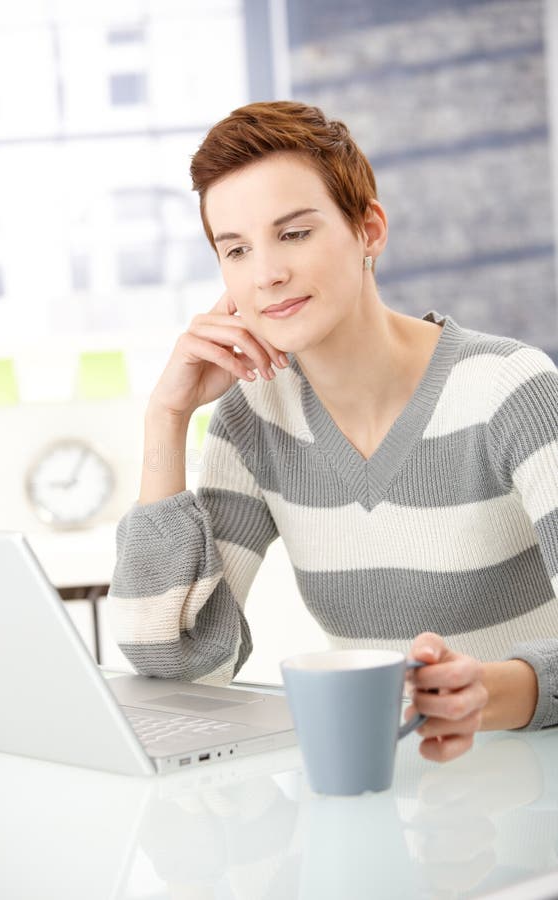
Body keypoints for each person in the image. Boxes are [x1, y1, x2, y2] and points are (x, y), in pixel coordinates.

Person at [107, 101, 558, 763]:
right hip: (380, 790)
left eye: (294, 234)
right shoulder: (253, 419)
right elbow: (177, 668)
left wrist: (484, 693)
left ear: (368, 229)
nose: (266, 274)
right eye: (236, 249)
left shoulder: (511, 389)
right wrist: (166, 420)